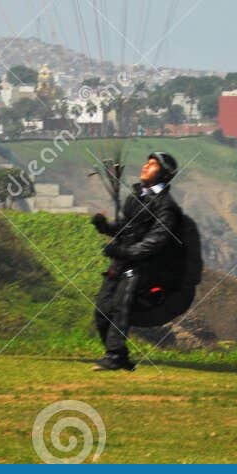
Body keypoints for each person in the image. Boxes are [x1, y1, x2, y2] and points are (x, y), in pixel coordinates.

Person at [92, 151, 188, 372]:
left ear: (164, 174)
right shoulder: (135, 197)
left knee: (120, 308)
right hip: (121, 263)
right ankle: (120, 356)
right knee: (102, 311)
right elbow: (125, 228)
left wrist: (123, 251)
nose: (145, 166)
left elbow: (155, 242)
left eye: (152, 165)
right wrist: (104, 226)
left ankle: (115, 355)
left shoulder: (166, 207)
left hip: (142, 267)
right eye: (147, 162)